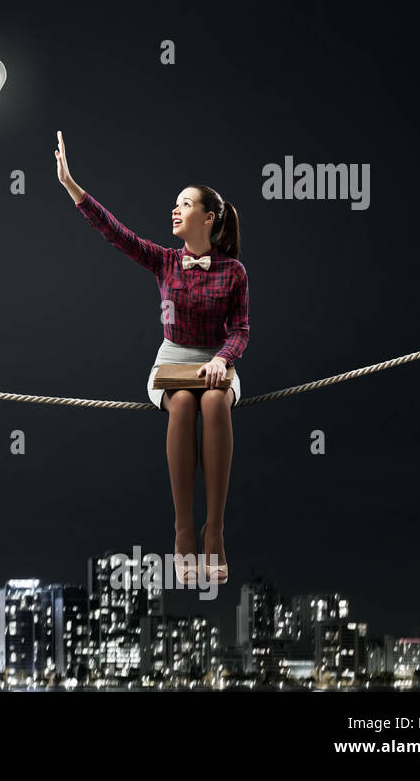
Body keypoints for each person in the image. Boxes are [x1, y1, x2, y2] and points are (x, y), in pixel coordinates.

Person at [54, 130, 248, 585]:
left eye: (185, 203)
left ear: (209, 216)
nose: (175, 209)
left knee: (215, 402)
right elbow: (115, 233)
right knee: (181, 403)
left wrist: (222, 359)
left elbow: (240, 330)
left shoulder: (234, 271)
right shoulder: (163, 261)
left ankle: (214, 530)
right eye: (175, 203)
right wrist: (71, 186)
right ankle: (183, 530)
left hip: (217, 361)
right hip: (172, 360)